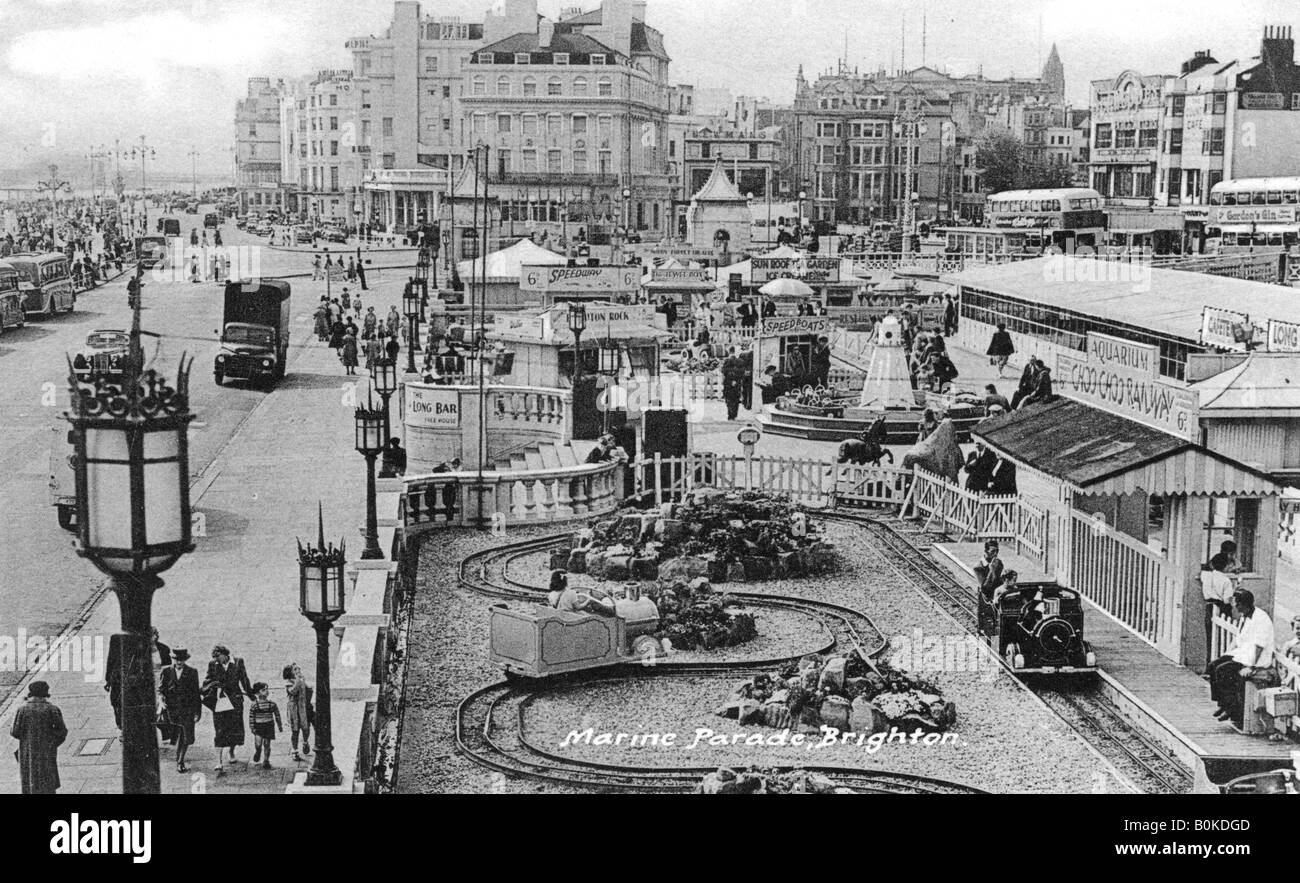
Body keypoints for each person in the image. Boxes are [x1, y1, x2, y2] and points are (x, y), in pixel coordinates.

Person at [1207, 590, 1275, 727]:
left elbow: (1259, 647)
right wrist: (1226, 654)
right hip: (1242, 654)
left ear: (1245, 604)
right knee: (1213, 666)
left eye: (1237, 603)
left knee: (1222, 670)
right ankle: (1223, 704)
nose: (1235, 606)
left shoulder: (1261, 619)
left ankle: (1232, 710)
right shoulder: (1244, 616)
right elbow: (1238, 639)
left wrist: (1251, 666)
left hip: (1255, 659)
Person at [201, 644, 255, 775]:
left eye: (218, 657)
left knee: (235, 729)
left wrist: (251, 695)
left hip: (235, 701)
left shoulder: (238, 662)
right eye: (214, 658)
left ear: (225, 654)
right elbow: (207, 681)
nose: (217, 660)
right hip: (220, 702)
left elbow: (244, 680)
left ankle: (231, 751)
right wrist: (211, 686)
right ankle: (218, 762)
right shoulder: (212, 664)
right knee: (219, 730)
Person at [104, 628, 171, 731]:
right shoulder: (119, 640)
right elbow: (111, 660)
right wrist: (108, 680)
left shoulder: (161, 649)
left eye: (155, 635)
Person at [10, 681, 67, 794]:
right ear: (45, 694)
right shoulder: (52, 709)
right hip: (47, 752)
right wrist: (51, 743)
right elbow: (62, 732)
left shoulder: (22, 710)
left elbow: (14, 732)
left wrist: (27, 737)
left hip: (28, 752)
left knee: (29, 781)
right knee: (47, 782)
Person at [159, 647, 201, 773]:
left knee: (186, 736)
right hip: (171, 709)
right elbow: (160, 690)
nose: (179, 662)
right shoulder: (166, 671)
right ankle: (179, 757)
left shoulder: (192, 672)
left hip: (187, 709)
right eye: (177, 660)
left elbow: (195, 693)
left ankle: (180, 761)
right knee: (175, 735)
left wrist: (197, 712)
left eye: (181, 660)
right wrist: (161, 701)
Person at [247, 682, 283, 769]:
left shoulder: (272, 704)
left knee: (267, 744)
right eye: (263, 690)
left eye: (267, 689)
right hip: (258, 726)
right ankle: (258, 751)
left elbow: (277, 714)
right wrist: (252, 727)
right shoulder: (255, 705)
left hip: (269, 725)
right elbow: (251, 717)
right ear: (257, 693)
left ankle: (266, 760)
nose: (266, 691)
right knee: (258, 744)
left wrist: (279, 725)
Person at [283, 664, 313, 762]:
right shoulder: (289, 683)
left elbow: (308, 691)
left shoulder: (301, 680)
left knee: (306, 728)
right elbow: (293, 691)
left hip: (303, 707)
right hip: (294, 709)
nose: (298, 670)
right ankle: (294, 750)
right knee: (295, 730)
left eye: (298, 668)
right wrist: (298, 681)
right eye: (295, 669)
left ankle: (305, 742)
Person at [721, 347, 746, 421]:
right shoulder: (740, 361)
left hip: (728, 383)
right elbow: (742, 372)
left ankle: (730, 415)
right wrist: (736, 380)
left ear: (729, 352)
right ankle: (734, 414)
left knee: (729, 399)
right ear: (735, 352)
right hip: (737, 383)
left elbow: (725, 372)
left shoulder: (727, 361)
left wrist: (731, 380)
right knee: (736, 399)